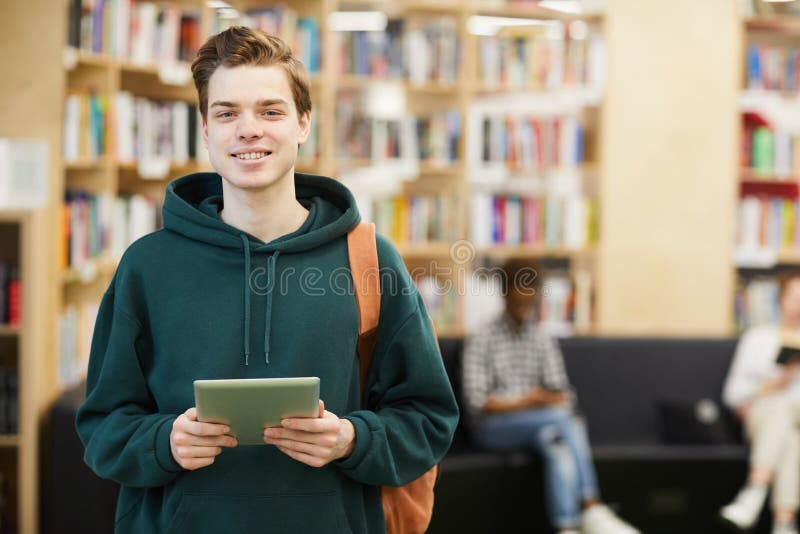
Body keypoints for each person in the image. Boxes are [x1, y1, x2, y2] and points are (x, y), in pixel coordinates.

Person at [76, 26, 458, 534]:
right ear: (206, 129)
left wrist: (351, 439)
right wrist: (162, 442)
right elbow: (102, 427)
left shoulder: (370, 261)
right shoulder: (146, 267)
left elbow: (428, 419)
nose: (248, 129)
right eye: (227, 112)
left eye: (270, 111)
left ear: (303, 123)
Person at [462, 260, 640, 534]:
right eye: (517, 301)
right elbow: (477, 403)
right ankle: (591, 505)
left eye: (529, 301)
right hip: (492, 429)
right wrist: (527, 401)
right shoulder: (482, 337)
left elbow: (564, 394)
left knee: (555, 443)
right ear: (505, 294)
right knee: (566, 421)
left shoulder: (541, 337)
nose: (524, 308)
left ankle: (566, 526)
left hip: (542, 423)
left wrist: (544, 400)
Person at [720, 271, 800, 534]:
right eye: (793, 298)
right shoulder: (758, 338)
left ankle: (755, 491)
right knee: (782, 413)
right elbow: (733, 395)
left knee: (791, 426)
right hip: (760, 418)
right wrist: (772, 386)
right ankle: (784, 523)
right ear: (781, 300)